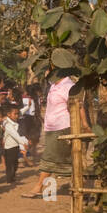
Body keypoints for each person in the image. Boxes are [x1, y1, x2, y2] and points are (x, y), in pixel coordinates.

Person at [33, 71, 82, 199]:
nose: (46, 72)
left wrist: (85, 125)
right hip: (51, 128)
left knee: (50, 156)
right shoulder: (53, 84)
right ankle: (80, 185)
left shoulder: (69, 86)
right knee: (65, 157)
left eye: (48, 70)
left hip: (63, 126)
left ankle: (39, 187)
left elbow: (78, 106)